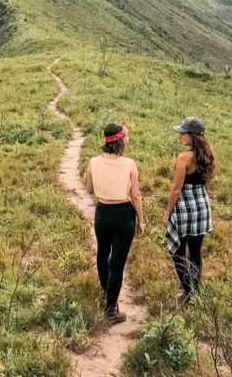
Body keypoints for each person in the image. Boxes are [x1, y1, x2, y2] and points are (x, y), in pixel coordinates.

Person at [86, 121, 145, 324]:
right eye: (126, 136)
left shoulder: (93, 162)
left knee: (103, 254)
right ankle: (111, 308)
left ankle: (106, 293)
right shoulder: (129, 164)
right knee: (117, 262)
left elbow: (89, 189)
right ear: (120, 140)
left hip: (102, 212)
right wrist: (141, 220)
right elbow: (135, 195)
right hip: (123, 214)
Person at [164, 116, 215, 303]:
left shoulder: (184, 157)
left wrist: (168, 211)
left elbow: (176, 189)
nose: (180, 136)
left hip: (184, 207)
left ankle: (188, 291)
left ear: (193, 136)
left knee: (177, 250)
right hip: (202, 206)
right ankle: (195, 290)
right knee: (195, 252)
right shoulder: (208, 155)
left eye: (183, 133)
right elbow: (206, 183)